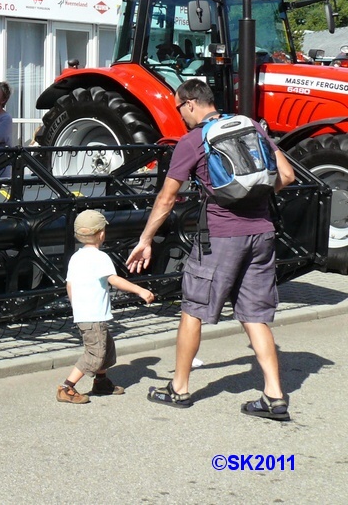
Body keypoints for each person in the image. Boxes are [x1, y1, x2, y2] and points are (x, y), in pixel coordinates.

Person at [127, 78, 295, 420]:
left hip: (220, 238)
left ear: (190, 104)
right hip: (262, 234)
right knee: (255, 315)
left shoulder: (193, 141)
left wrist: (145, 240)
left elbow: (166, 198)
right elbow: (288, 176)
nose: (180, 115)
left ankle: (179, 388)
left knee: (193, 310)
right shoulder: (251, 127)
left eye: (179, 108)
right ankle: (275, 396)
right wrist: (256, 197)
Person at [58, 209, 155, 404]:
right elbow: (114, 280)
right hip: (93, 314)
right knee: (95, 354)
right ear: (102, 234)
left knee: (106, 347)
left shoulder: (76, 257)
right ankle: (66, 387)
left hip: (85, 313)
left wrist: (76, 306)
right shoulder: (100, 257)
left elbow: (70, 285)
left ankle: (101, 382)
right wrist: (140, 290)